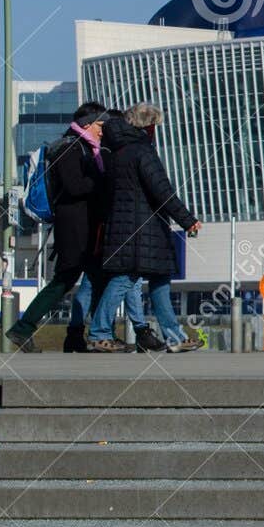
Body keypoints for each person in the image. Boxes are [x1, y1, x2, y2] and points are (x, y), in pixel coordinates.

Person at [85, 104, 202, 353]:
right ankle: (98, 333)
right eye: (154, 126)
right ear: (147, 126)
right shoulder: (142, 151)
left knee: (159, 280)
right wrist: (188, 220)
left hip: (126, 227)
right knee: (125, 279)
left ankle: (174, 336)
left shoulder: (116, 151)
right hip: (143, 229)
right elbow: (162, 190)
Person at [8, 102, 111, 354]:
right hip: (74, 227)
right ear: (87, 124)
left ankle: (84, 336)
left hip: (80, 225)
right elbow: (74, 187)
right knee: (66, 279)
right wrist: (102, 180)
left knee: (91, 278)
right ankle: (24, 327)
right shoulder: (69, 148)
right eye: (100, 125)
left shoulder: (82, 147)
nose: (103, 130)